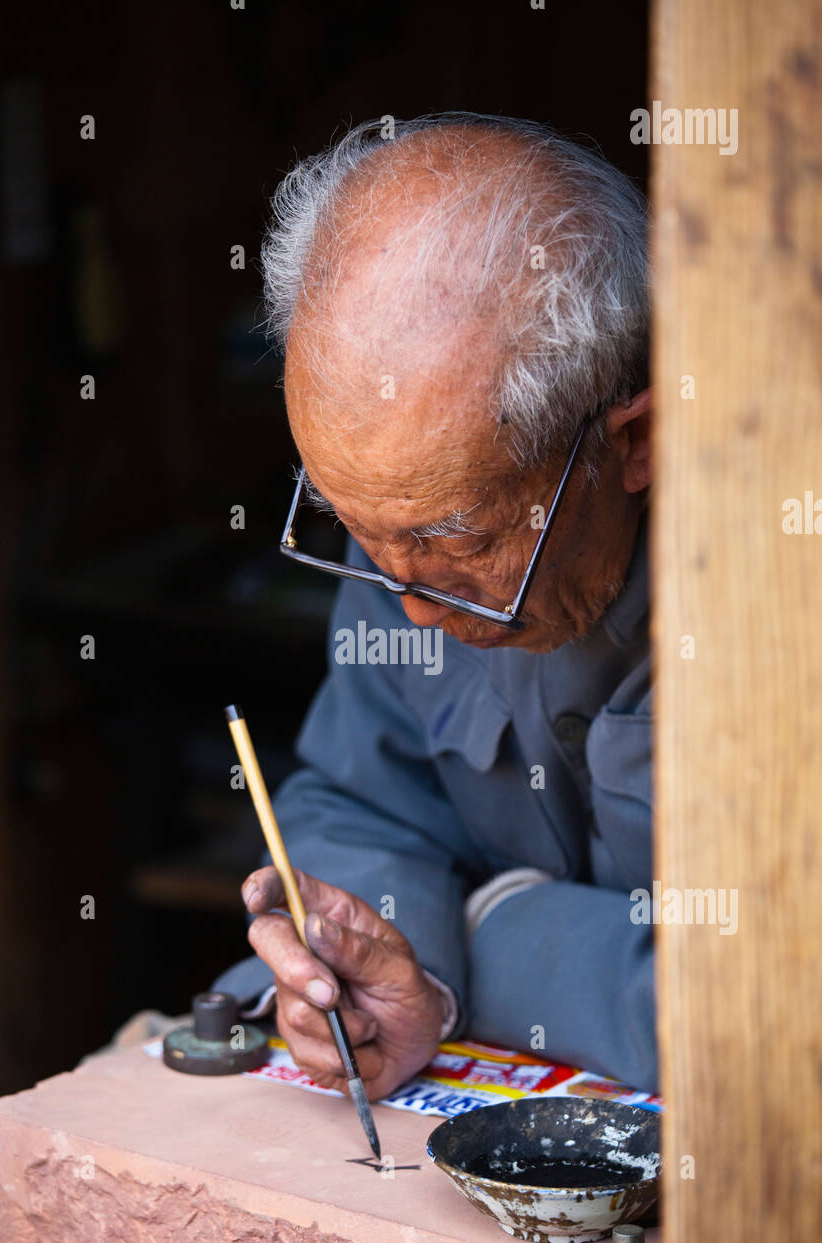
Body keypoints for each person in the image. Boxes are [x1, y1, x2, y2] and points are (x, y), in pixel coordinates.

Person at [213, 113, 655, 1098]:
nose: (406, 607)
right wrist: (378, 968)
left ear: (634, 442)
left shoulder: (772, 600)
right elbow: (357, 799)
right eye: (358, 530)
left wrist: (492, 933)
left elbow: (775, 1006)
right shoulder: (408, 532)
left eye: (456, 543)